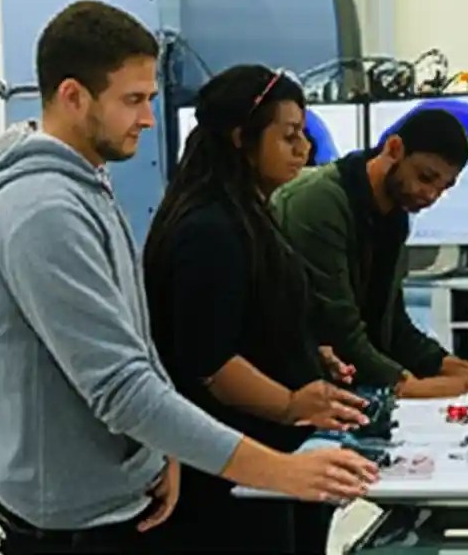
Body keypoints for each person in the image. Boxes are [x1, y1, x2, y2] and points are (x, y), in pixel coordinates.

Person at [0, 0, 377, 555]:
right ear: (73, 96)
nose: (146, 117)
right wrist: (278, 471)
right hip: (73, 526)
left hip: (119, 502)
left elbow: (139, 344)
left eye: (149, 100)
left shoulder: (85, 188)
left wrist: (162, 453)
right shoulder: (44, 209)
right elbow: (119, 386)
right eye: (132, 100)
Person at [143, 65, 370, 552]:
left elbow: (253, 320)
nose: (304, 149)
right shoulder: (207, 229)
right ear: (241, 138)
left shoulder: (248, 215)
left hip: (273, 458)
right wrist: (291, 404)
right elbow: (211, 364)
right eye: (289, 136)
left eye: (304, 136)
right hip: (231, 475)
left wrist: (307, 355)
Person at [272, 107, 468, 398]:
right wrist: (419, 387)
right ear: (394, 149)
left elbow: (391, 325)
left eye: (443, 188)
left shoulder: (393, 214)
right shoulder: (319, 203)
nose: (431, 195)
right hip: (293, 390)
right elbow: (339, 331)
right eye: (425, 177)